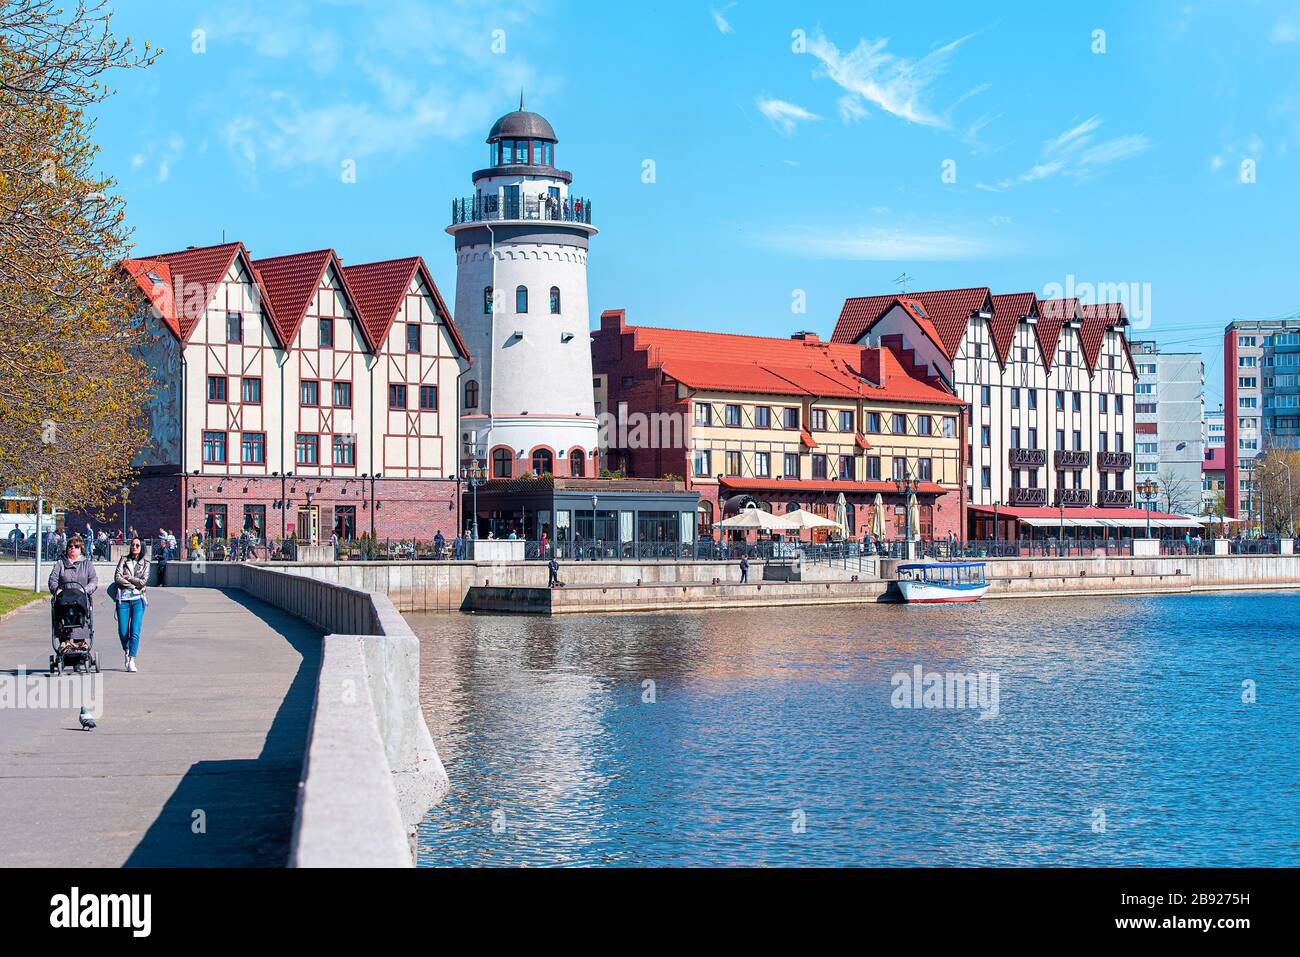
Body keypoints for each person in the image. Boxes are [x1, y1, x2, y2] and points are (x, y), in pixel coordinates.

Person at [48, 535, 98, 653]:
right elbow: (52, 580)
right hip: (64, 598)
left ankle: (81, 641)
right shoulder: (60, 564)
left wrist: (85, 590)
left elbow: (94, 581)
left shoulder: (87, 564)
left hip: (80, 597)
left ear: (81, 549)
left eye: (76, 546)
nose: (73, 549)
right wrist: (57, 590)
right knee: (62, 613)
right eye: (70, 546)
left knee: (80, 613)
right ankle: (64, 641)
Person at [114, 537, 149, 672]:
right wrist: (131, 585)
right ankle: (127, 651)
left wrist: (127, 577)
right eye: (132, 545)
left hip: (138, 600)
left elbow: (143, 582)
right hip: (123, 599)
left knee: (135, 631)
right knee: (123, 631)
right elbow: (117, 578)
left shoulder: (146, 564)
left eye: (137, 545)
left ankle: (132, 659)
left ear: (142, 548)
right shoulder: (124, 560)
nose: (134, 547)